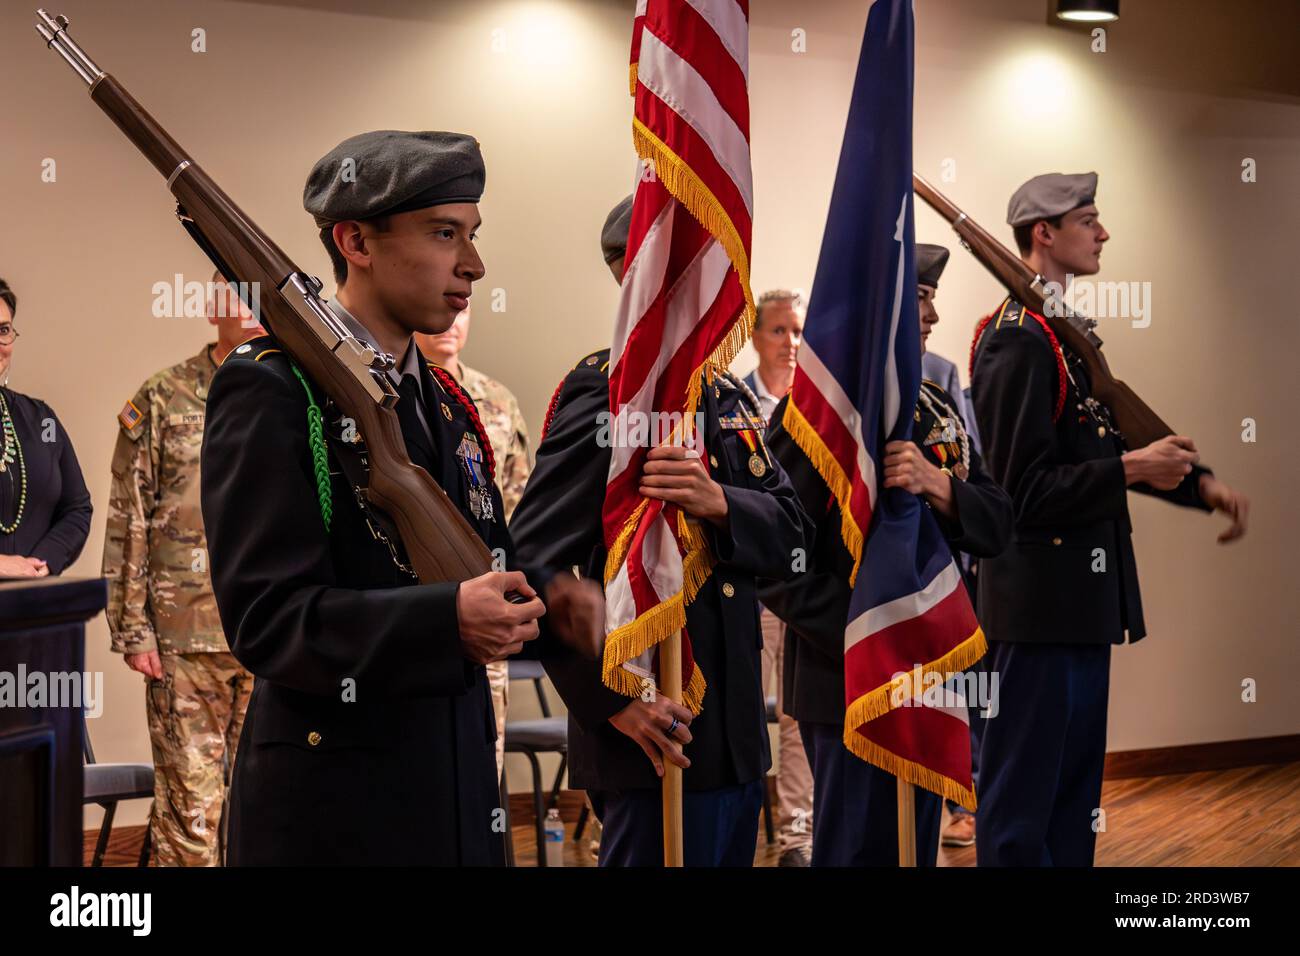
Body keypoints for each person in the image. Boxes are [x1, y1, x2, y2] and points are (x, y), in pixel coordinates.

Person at [199, 130, 600, 865]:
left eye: (472, 236)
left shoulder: (445, 399)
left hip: (457, 792)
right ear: (356, 240)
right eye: (445, 234)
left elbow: (485, 563)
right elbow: (267, 620)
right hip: (338, 811)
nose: (474, 265)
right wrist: (445, 619)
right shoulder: (273, 387)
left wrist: (558, 603)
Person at [509, 196, 814, 867]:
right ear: (638, 278)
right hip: (650, 733)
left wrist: (720, 501)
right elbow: (530, 565)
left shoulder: (725, 397)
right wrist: (608, 703)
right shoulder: (610, 395)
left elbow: (795, 536)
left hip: (730, 734)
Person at [970, 172, 1250, 866]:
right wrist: (1132, 470)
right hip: (1036, 614)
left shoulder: (1062, 336)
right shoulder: (1018, 340)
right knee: (1020, 809)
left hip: (1079, 609)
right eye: (1088, 219)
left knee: (1072, 809)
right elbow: (1019, 493)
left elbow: (1115, 442)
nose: (1102, 233)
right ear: (1045, 233)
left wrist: (1199, 485)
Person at [759, 244, 1013, 867]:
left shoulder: (935, 406)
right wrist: (867, 631)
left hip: (929, 670)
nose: (930, 315)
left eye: (929, 301)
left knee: (916, 850)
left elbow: (999, 523)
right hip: (849, 675)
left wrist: (940, 485)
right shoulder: (816, 415)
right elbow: (775, 556)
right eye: (917, 300)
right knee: (856, 849)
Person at [103, 271, 265, 865]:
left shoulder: (295, 394)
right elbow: (129, 513)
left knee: (264, 804)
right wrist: (133, 629)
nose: (249, 308)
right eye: (236, 293)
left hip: (271, 631)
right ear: (211, 306)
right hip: (183, 638)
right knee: (192, 812)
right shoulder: (163, 396)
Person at [416, 309, 532, 781]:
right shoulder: (385, 393)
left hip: (490, 602)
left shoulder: (495, 400)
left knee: (485, 764)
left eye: (466, 308)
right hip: (422, 611)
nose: (452, 320)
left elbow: (520, 505)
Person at [743, 288, 815, 866]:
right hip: (745, 585)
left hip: (798, 589)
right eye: (779, 331)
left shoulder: (818, 408)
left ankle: (795, 835)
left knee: (796, 714)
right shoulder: (734, 402)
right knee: (740, 703)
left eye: (798, 331)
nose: (791, 343)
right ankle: (738, 829)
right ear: (754, 335)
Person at [0, 276, 92, 578]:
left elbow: (76, 508)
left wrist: (40, 562)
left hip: (33, 608)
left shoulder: (43, 421)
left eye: (3, 331)